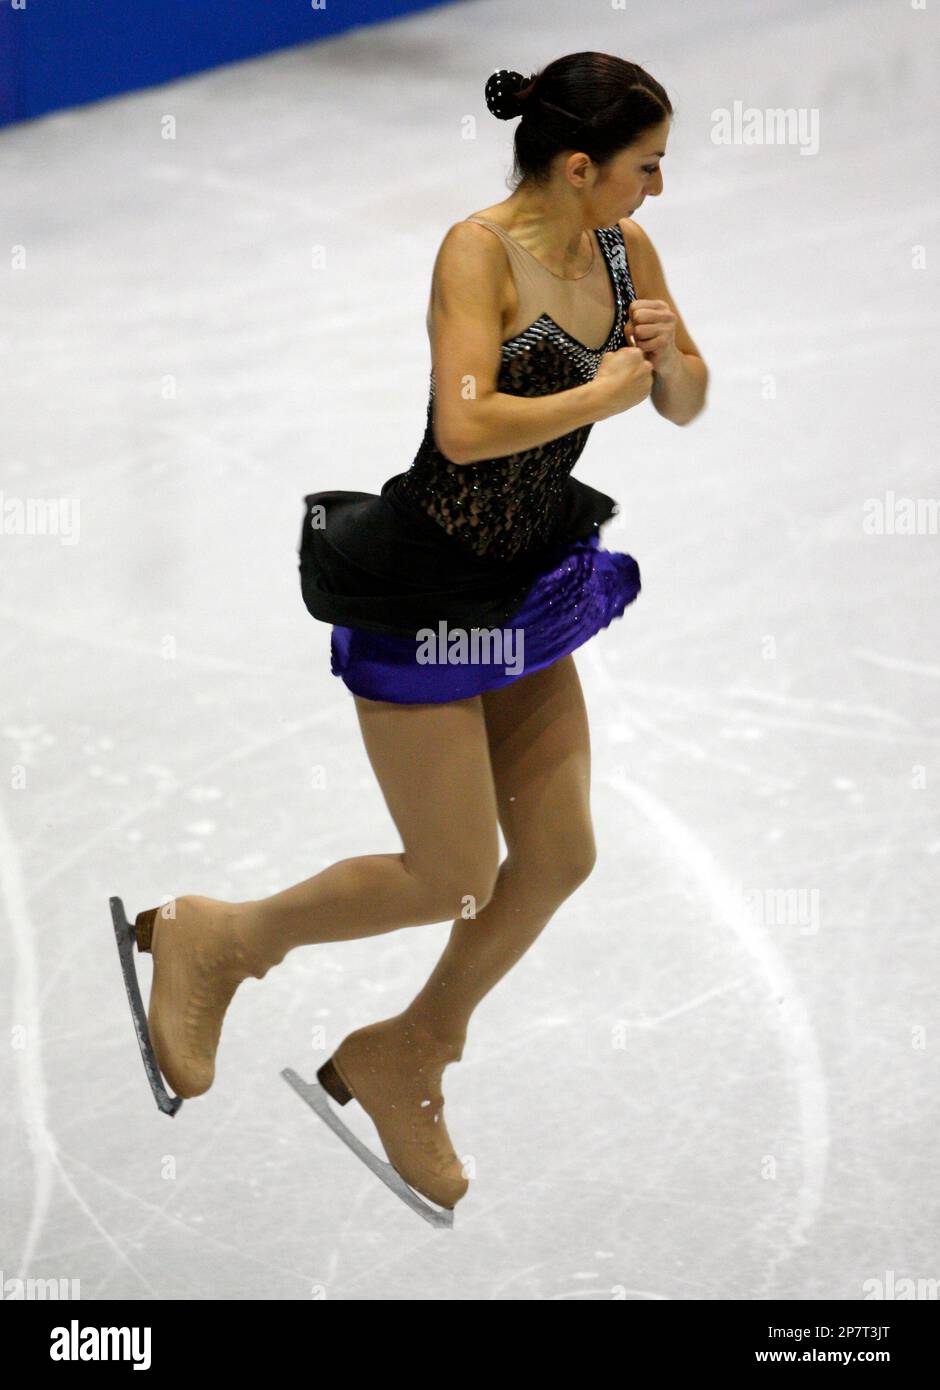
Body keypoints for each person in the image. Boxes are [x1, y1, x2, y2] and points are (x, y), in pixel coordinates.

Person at [132, 51, 708, 1213]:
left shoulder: (623, 249)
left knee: (556, 856)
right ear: (581, 164)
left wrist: (671, 357)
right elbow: (463, 425)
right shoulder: (476, 250)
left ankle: (414, 1049)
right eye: (645, 168)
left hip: (530, 576)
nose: (657, 190)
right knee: (453, 875)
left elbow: (685, 398)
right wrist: (602, 392)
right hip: (428, 586)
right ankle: (222, 936)